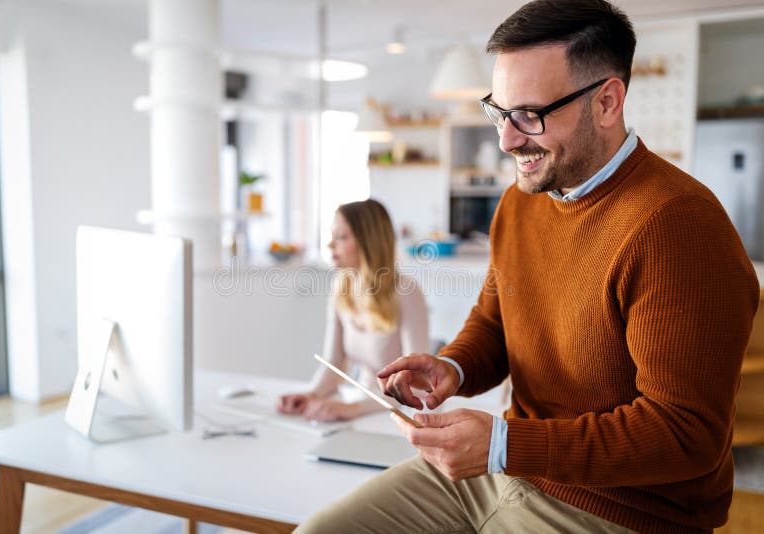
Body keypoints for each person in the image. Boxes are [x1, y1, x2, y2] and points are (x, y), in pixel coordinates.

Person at [296, 0, 760, 532]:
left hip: (623, 511)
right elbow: (496, 319)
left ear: (607, 102)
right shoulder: (523, 199)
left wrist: (503, 443)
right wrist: (453, 368)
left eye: (530, 116)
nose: (507, 139)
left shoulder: (678, 226)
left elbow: (685, 434)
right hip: (505, 473)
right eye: (499, 111)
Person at [277, 198, 429, 422]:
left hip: (405, 414)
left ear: (369, 242)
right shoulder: (341, 288)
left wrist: (353, 408)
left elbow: (416, 388)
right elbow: (333, 364)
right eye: (332, 236)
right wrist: (310, 394)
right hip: (366, 409)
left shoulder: (406, 292)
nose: (330, 245)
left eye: (342, 237)